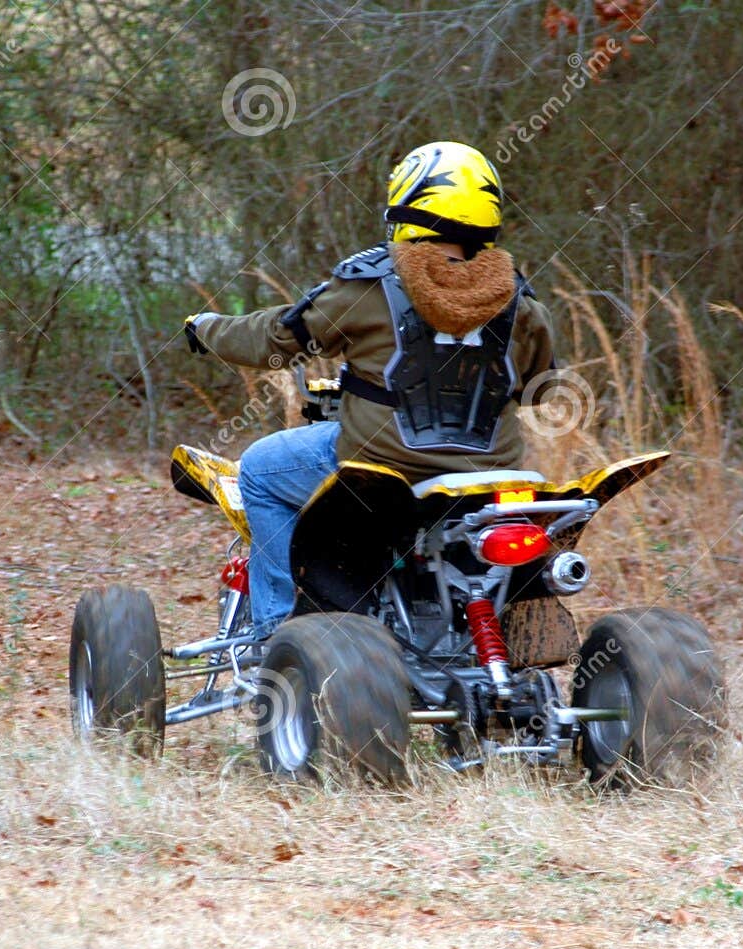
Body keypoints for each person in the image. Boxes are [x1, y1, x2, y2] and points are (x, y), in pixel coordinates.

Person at [184, 140, 558, 640]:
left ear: (409, 207)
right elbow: (541, 390)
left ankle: (277, 636)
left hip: (385, 470)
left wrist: (207, 327)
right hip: (491, 477)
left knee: (258, 469)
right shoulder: (521, 301)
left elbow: (277, 339)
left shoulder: (371, 286)